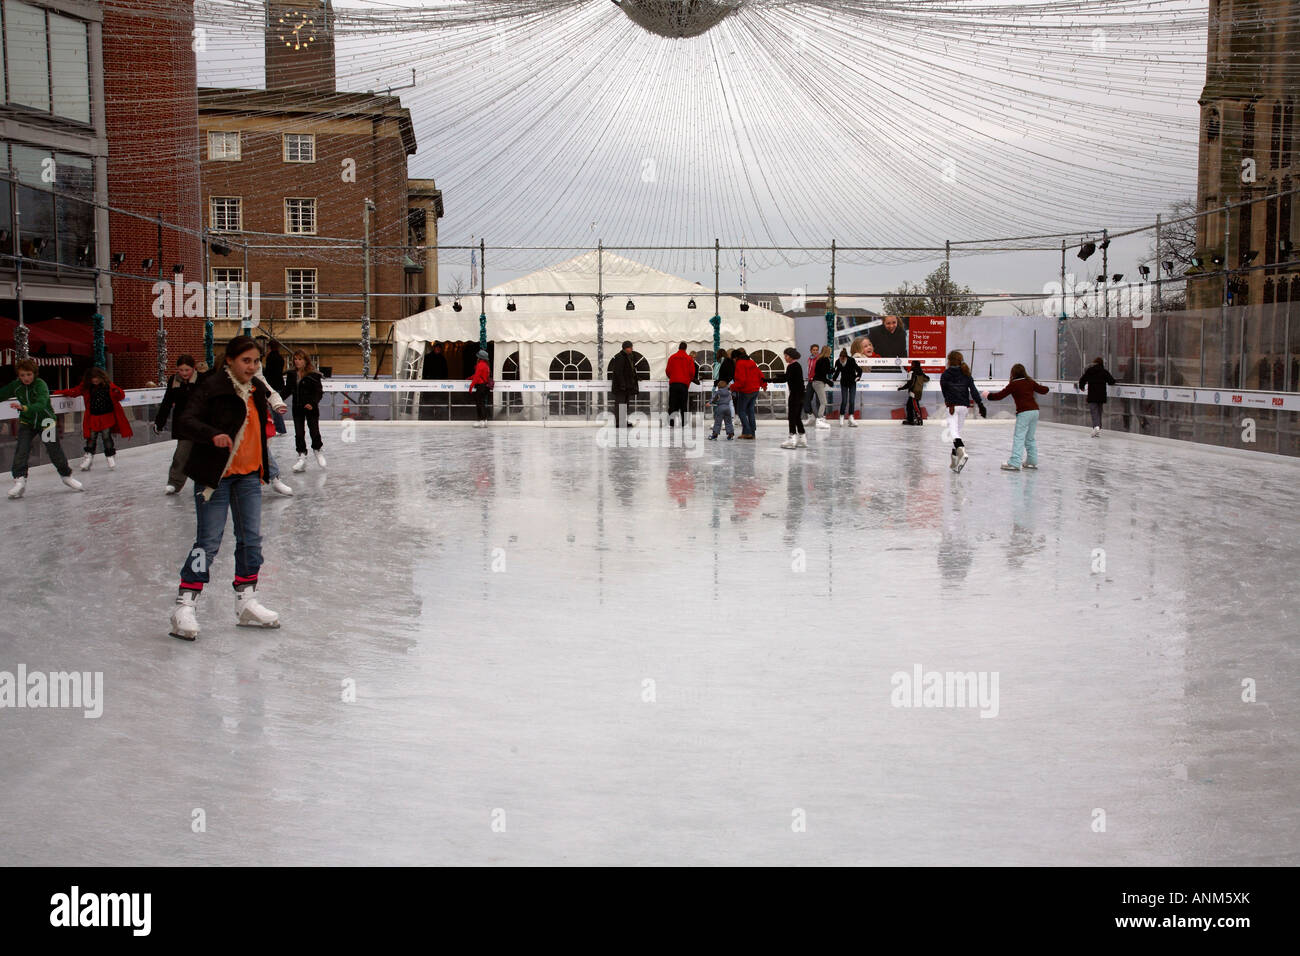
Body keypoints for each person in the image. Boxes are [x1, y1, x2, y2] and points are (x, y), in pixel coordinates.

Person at [168, 335, 280, 641]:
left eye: (256, 361)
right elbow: (185, 422)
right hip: (214, 478)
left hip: (248, 477)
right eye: (246, 360)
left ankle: (246, 601)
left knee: (251, 540)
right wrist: (212, 433)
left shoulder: (256, 389)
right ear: (229, 360)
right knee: (208, 542)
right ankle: (185, 605)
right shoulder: (211, 387)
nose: (252, 366)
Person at [3, 358, 82, 498]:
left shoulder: (40, 385)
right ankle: (19, 480)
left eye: (28, 374)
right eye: (22, 375)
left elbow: (41, 404)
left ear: (34, 373)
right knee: (22, 450)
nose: (25, 378)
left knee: (53, 450)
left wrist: (24, 407)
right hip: (27, 423)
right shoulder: (16, 386)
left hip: (46, 421)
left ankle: (66, 476)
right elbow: (2, 393)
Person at [55, 367, 133, 471]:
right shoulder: (86, 387)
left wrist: (117, 391)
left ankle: (110, 455)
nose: (95, 380)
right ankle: (88, 457)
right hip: (93, 417)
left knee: (106, 437)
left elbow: (120, 395)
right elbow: (74, 391)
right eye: (92, 378)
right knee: (91, 438)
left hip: (107, 417)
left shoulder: (108, 385)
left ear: (102, 377)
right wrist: (59, 392)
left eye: (97, 378)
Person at [986, 363, 1050, 471]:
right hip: (1035, 411)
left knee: (1019, 437)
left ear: (1013, 373)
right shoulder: (1029, 382)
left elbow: (1000, 395)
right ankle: (1032, 461)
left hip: (1024, 412)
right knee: (1030, 437)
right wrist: (1047, 387)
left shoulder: (1014, 384)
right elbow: (1043, 390)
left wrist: (988, 395)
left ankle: (1015, 462)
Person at [155, 355, 199, 494]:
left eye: (187, 370)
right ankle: (174, 482)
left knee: (203, 455)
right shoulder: (174, 381)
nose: (184, 373)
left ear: (194, 368)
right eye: (181, 370)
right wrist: (159, 422)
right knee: (181, 454)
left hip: (201, 423)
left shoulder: (202, 380)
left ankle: (206, 482)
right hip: (184, 424)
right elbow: (167, 402)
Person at [940, 350, 985, 472]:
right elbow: (974, 391)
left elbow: (945, 392)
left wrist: (949, 403)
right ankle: (954, 462)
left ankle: (962, 450)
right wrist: (980, 404)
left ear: (949, 360)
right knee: (957, 433)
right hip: (964, 407)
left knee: (953, 433)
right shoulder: (966, 373)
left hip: (952, 407)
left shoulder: (946, 374)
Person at [286, 349, 325, 471]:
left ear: (305, 361)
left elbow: (318, 392)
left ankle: (317, 450)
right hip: (297, 408)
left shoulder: (313, 375)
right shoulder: (291, 374)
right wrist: (275, 400)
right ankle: (301, 456)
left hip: (310, 408)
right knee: (299, 433)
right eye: (295, 359)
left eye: (300, 359)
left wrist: (312, 403)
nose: (297, 362)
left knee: (314, 431)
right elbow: (287, 390)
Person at [728, 347, 767, 439]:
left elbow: (741, 381)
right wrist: (763, 384)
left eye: (733, 359)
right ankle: (751, 433)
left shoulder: (740, 364)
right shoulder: (751, 362)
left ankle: (748, 432)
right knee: (750, 411)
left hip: (746, 391)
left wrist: (732, 387)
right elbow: (759, 374)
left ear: (735, 358)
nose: (733, 361)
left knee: (741, 411)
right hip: (755, 390)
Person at [1076, 357, 1117, 437]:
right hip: (1101, 396)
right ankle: (1098, 428)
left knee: (1094, 412)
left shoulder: (1090, 371)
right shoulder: (1104, 371)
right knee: (1099, 412)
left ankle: (1096, 427)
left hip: (1092, 395)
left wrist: (1082, 386)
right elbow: (1111, 381)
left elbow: (1082, 379)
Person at [780, 348, 808, 450]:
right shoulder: (796, 365)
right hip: (800, 394)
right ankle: (802, 437)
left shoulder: (792, 366)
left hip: (795, 395)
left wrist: (769, 379)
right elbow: (787, 377)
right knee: (796, 417)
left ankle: (792, 438)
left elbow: (785, 378)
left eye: (786, 356)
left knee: (792, 416)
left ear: (791, 356)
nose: (785, 357)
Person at [609, 341, 640, 428]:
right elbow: (618, 373)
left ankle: (623, 421)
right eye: (630, 347)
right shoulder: (620, 357)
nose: (632, 349)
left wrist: (636, 378)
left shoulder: (628, 357)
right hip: (620, 387)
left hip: (626, 387)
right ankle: (619, 422)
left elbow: (630, 371)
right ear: (626, 348)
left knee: (625, 405)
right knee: (620, 405)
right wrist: (622, 384)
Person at [665, 341, 697, 428]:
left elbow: (667, 371)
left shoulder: (672, 357)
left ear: (678, 347)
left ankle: (671, 424)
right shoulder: (689, 359)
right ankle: (684, 424)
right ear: (686, 348)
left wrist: (672, 377)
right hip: (684, 385)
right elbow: (692, 373)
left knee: (672, 404)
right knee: (683, 404)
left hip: (674, 384)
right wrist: (688, 381)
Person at [831, 347, 861, 426]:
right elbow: (837, 371)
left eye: (843, 359)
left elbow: (859, 370)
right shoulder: (837, 362)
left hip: (852, 382)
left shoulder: (851, 360)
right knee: (844, 400)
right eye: (841, 359)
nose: (842, 360)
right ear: (839, 357)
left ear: (846, 357)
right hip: (844, 383)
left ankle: (851, 417)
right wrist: (833, 378)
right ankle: (841, 416)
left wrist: (858, 377)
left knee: (852, 401)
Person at [897, 360, 929, 425]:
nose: (911, 365)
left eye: (912, 364)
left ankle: (919, 420)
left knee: (915, 406)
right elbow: (927, 379)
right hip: (919, 391)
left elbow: (910, 383)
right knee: (909, 405)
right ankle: (910, 420)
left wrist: (901, 388)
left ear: (914, 365)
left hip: (913, 391)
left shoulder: (912, 372)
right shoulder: (921, 373)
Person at [809, 344, 832, 429]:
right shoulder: (825, 360)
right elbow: (822, 374)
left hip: (816, 382)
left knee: (822, 401)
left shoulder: (819, 360)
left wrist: (831, 371)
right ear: (827, 351)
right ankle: (820, 419)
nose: (830, 353)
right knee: (823, 402)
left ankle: (820, 418)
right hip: (819, 383)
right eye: (830, 351)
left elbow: (823, 371)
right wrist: (829, 381)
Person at [468, 349, 493, 427]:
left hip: (480, 386)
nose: (477, 358)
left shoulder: (480, 365)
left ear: (480, 358)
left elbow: (476, 377)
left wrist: (471, 387)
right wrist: (469, 378)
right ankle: (484, 420)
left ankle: (481, 420)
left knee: (479, 404)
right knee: (482, 403)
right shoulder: (486, 365)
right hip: (485, 386)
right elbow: (478, 375)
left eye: (478, 357)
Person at [802, 344, 822, 421]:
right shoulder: (809, 359)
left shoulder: (820, 358)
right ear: (811, 350)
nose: (815, 351)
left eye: (817, 350)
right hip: (810, 381)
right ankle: (810, 416)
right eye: (814, 350)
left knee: (819, 400)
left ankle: (821, 418)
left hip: (818, 382)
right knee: (806, 399)